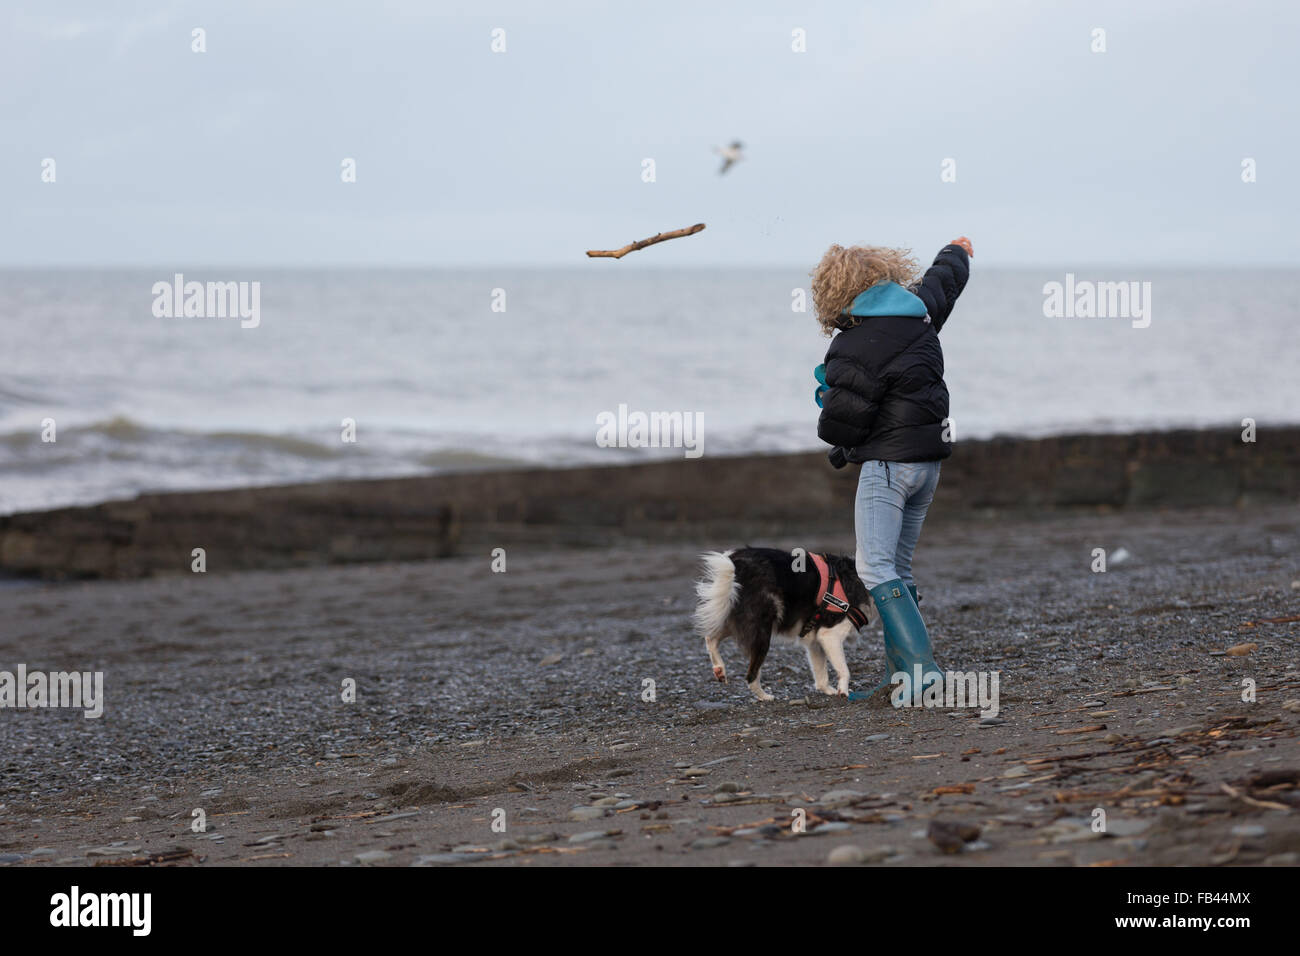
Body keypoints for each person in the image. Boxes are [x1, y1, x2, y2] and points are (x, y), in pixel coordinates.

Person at [810, 237, 972, 700]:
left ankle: (923, 671)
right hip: (927, 465)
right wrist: (956, 251)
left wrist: (825, 396)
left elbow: (840, 423)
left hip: (888, 467)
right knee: (897, 567)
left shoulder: (852, 344)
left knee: (874, 567)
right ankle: (900, 676)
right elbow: (943, 283)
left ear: (836, 293)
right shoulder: (920, 315)